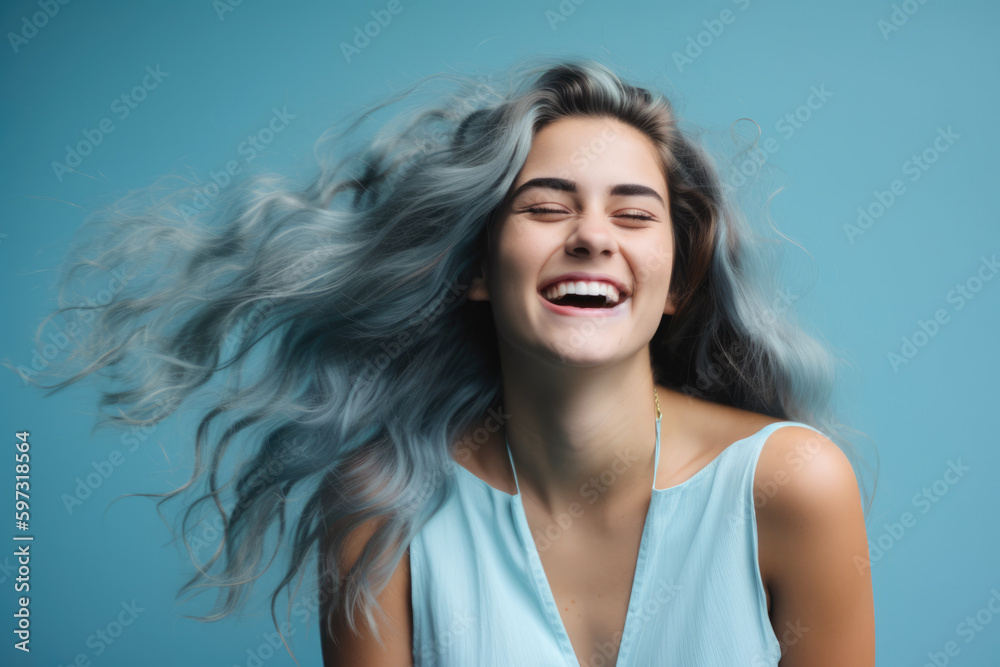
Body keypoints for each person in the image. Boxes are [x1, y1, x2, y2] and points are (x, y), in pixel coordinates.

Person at [21, 56, 876, 666]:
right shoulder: (379, 509)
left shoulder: (790, 485)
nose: (591, 237)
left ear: (680, 278)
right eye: (546, 206)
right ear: (474, 268)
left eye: (634, 214)